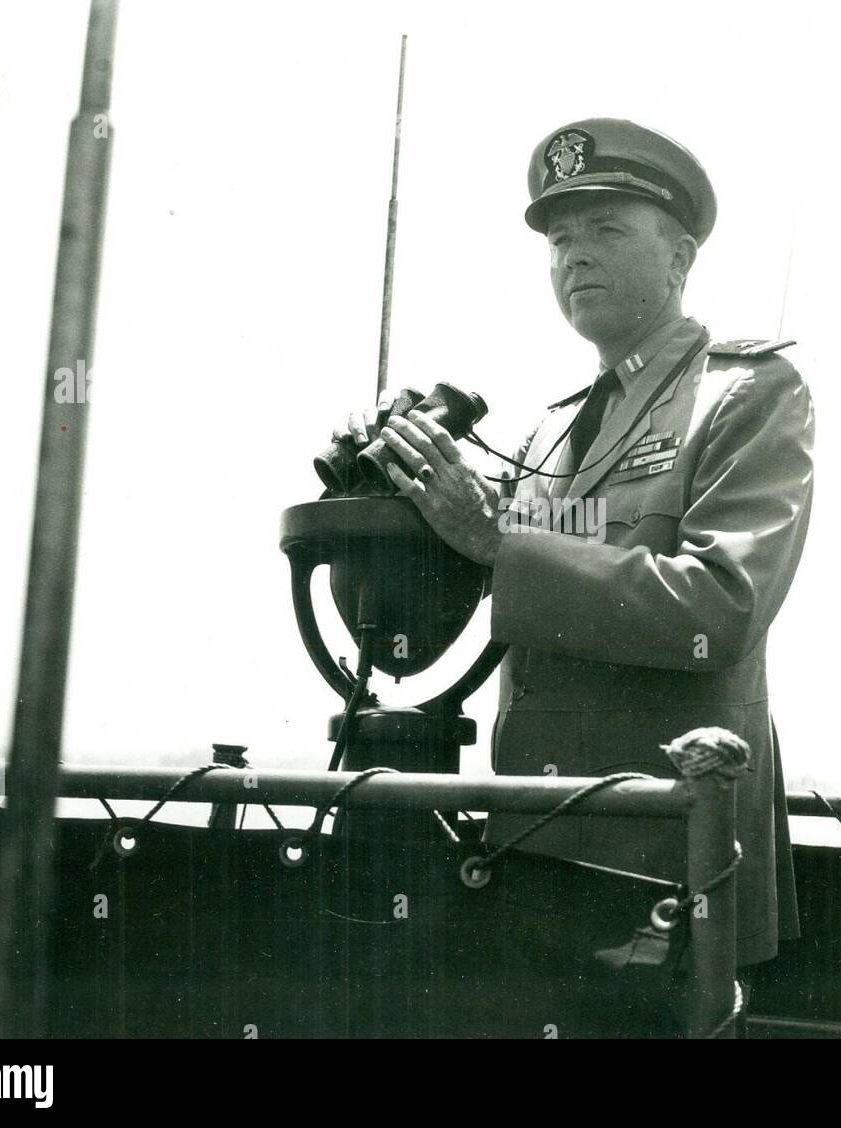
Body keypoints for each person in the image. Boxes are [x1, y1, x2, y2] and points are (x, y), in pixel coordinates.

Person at [333, 117, 814, 997]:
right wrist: (385, 504)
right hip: (530, 850)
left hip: (668, 863)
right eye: (559, 239)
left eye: (606, 230)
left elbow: (722, 609)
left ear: (679, 259)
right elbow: (428, 640)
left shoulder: (748, 394)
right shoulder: (548, 430)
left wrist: (493, 538)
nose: (574, 256)